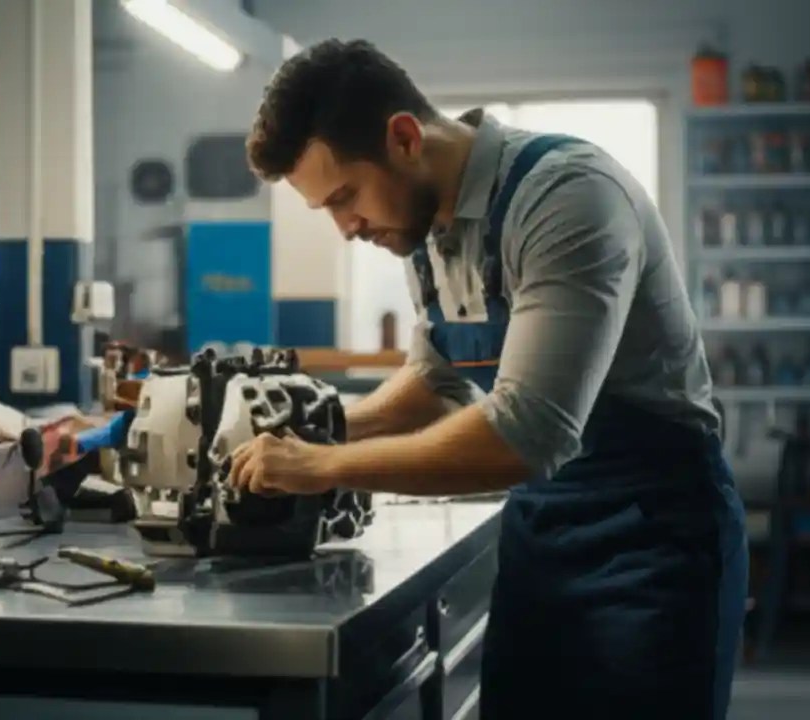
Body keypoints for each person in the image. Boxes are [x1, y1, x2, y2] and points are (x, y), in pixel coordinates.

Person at [233, 38, 748, 719]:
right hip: (542, 529)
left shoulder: (567, 198)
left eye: (346, 196)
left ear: (405, 137)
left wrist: (324, 464)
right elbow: (434, 378)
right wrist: (308, 430)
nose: (346, 227)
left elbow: (526, 435)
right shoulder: (427, 233)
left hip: (654, 537)